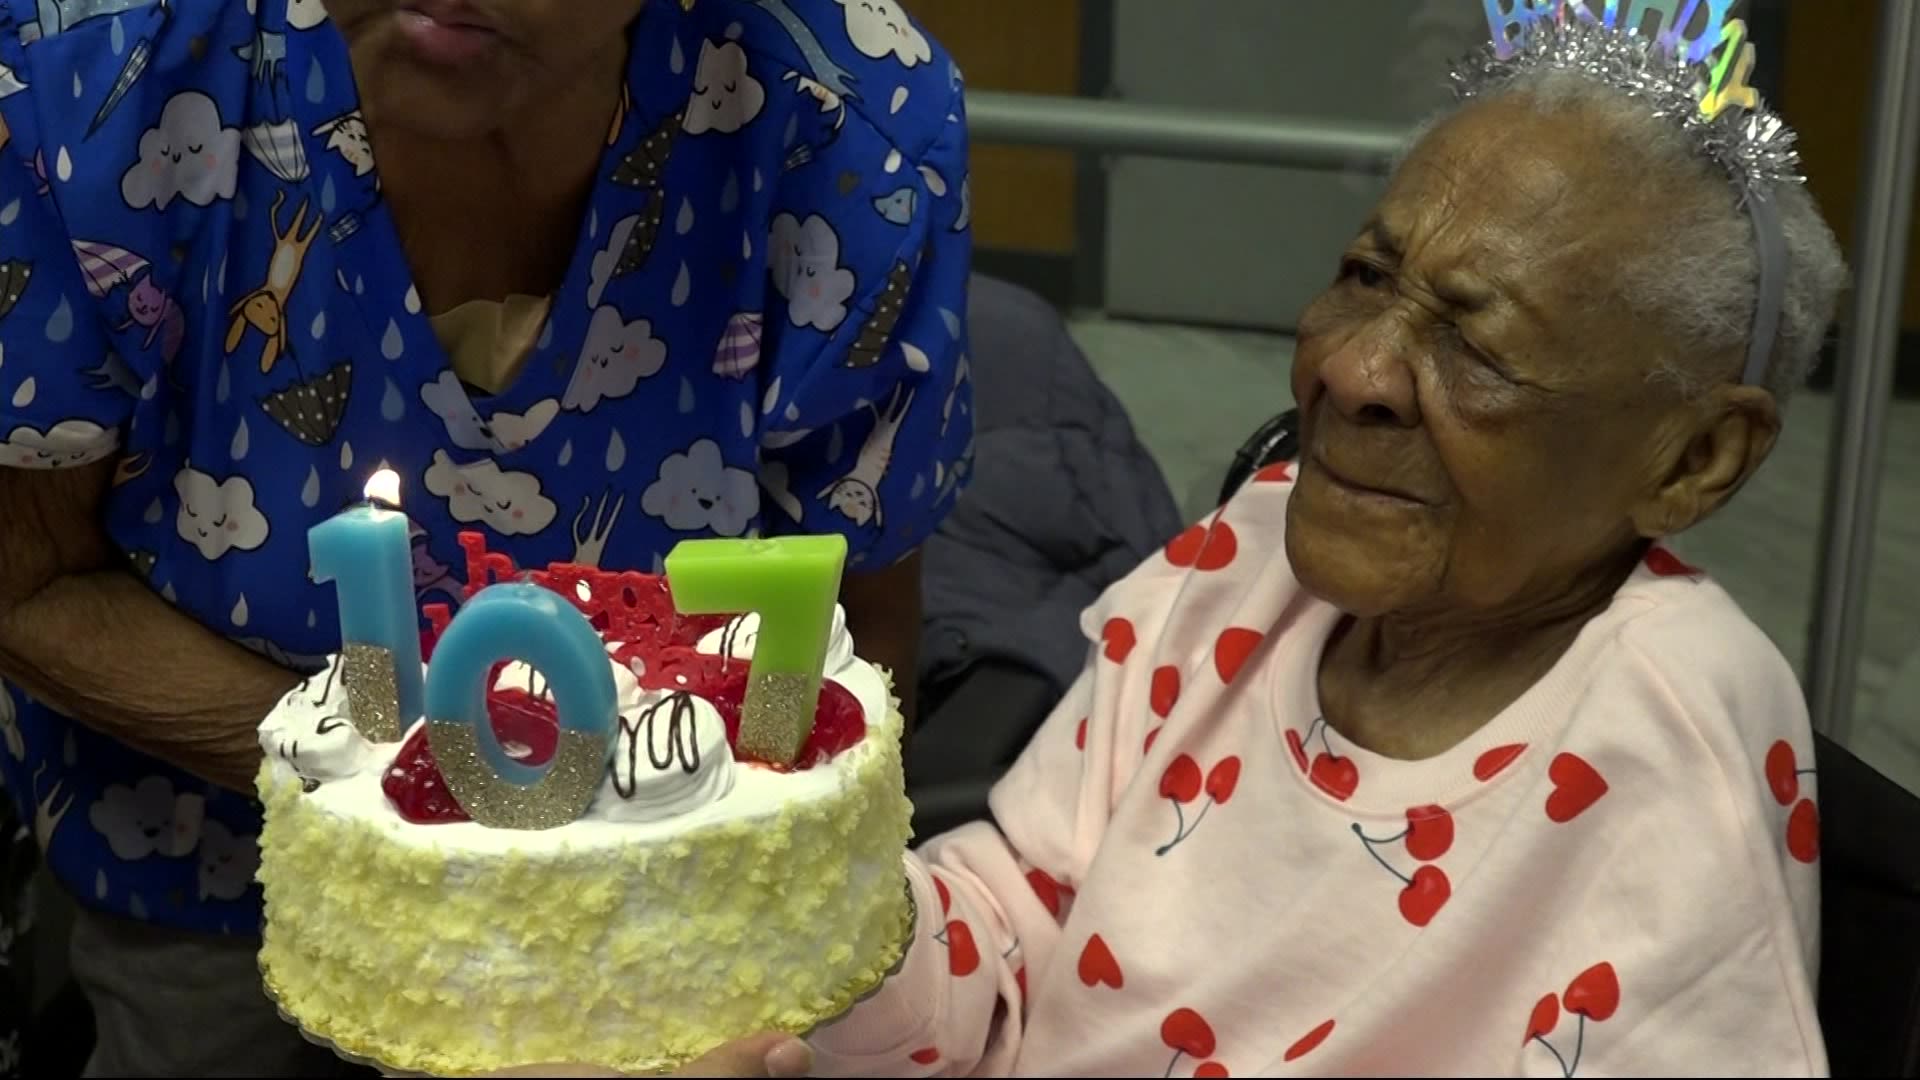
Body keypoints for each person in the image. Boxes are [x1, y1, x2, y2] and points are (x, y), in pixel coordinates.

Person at [780, 15, 1843, 1079]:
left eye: (1475, 341)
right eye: (1368, 278)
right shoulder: (1241, 562)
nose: (1352, 370)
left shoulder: (1671, 739)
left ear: (1693, 457)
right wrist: (820, 935)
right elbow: (1019, 913)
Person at [0, 0, 972, 1074]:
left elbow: (853, 638)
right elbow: (26, 585)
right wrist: (409, 783)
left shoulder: (854, 127)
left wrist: (666, 873)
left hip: (673, 920)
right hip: (214, 867)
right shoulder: (82, 80)